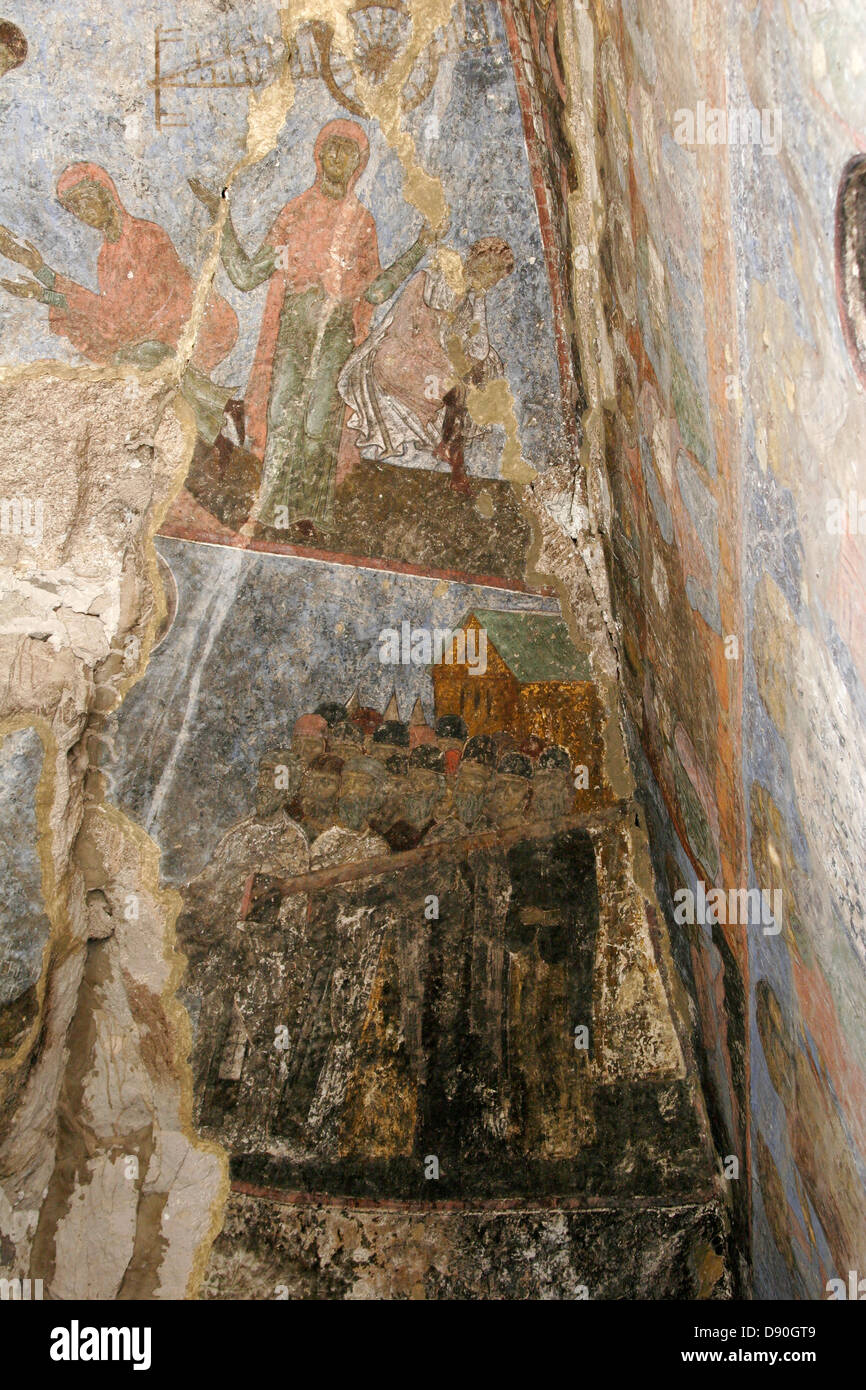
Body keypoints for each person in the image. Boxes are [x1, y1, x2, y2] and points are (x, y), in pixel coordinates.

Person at [191, 119, 437, 538]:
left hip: (336, 336)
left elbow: (375, 292)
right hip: (294, 332)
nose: (337, 157)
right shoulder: (297, 212)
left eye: (348, 150)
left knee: (320, 423)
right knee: (284, 417)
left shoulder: (362, 222)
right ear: (318, 154)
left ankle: (310, 514)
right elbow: (247, 274)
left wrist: (419, 246)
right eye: (331, 148)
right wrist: (222, 220)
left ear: (360, 162)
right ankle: (270, 510)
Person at [0, 163, 239, 447]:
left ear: (106, 191)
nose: (83, 212)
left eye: (85, 199)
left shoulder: (147, 236)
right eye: (74, 208)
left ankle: (220, 415)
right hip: (154, 344)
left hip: (191, 332)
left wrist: (44, 288)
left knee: (145, 357)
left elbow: (124, 317)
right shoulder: (106, 256)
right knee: (128, 365)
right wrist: (37, 270)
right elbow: (108, 316)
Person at [339, 237, 515, 492]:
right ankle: (456, 465)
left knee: (479, 374)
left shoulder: (471, 298)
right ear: (482, 264)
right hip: (398, 357)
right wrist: (448, 362)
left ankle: (454, 462)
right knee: (460, 387)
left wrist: (479, 302)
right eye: (493, 274)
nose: (492, 282)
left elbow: (479, 349)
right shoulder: (430, 281)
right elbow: (407, 330)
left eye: (495, 280)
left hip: (432, 365)